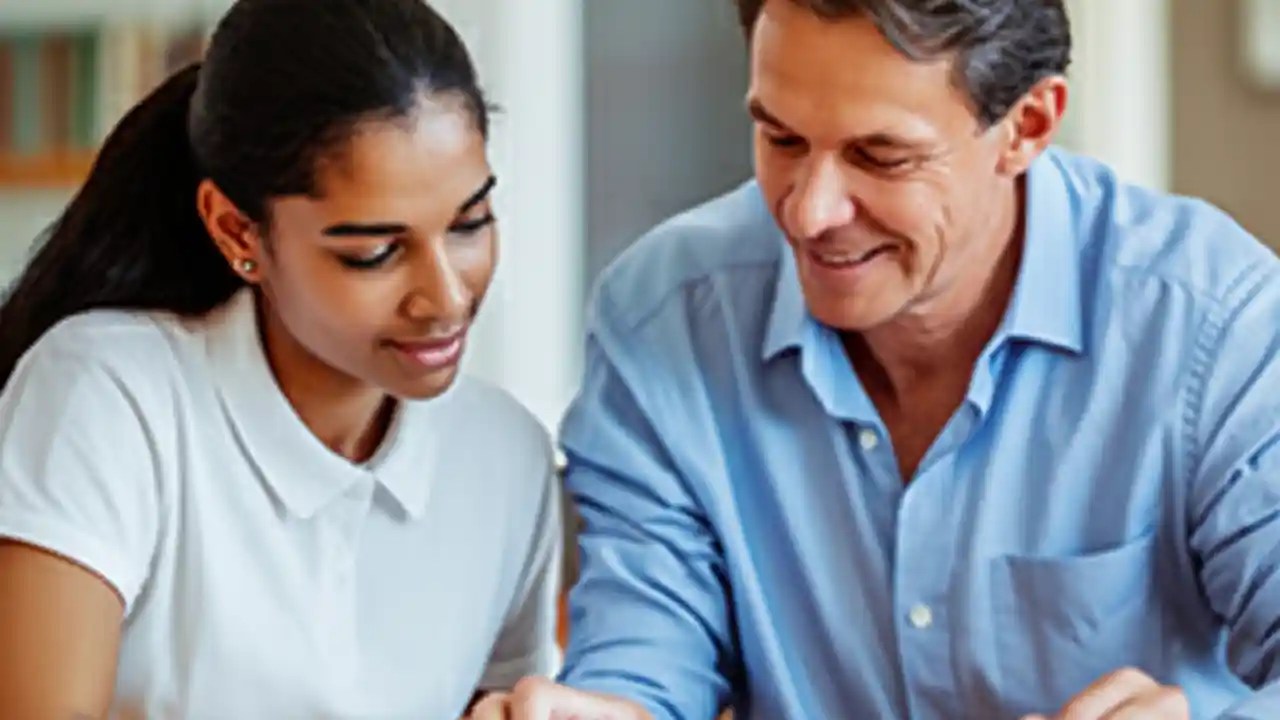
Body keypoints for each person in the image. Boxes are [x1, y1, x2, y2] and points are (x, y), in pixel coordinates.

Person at [468, 0, 1280, 718]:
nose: (810, 212)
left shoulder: (1213, 326)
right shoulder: (664, 317)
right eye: (781, 138)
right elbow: (646, 658)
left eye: (881, 156)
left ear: (1028, 126)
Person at [0, 0, 562, 717]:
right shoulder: (109, 396)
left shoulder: (506, 457)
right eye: (374, 253)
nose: (447, 297)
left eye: (470, 223)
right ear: (237, 231)